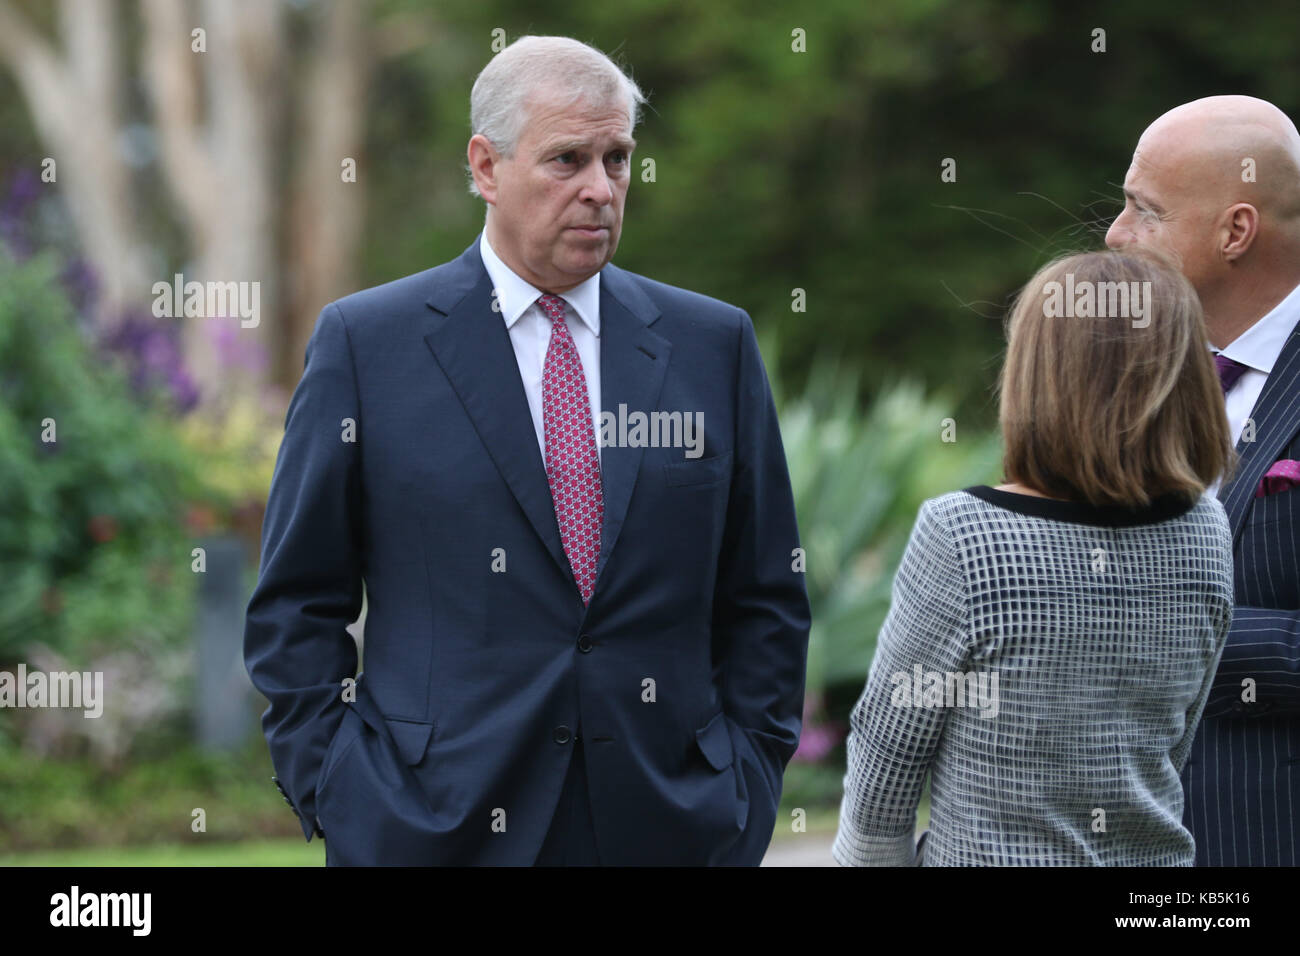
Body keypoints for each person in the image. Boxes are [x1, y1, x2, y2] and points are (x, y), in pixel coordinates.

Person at [242, 35, 810, 866]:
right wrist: (340, 789)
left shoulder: (710, 344)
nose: (601, 189)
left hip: (669, 825)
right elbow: (297, 600)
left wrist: (747, 785)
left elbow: (765, 593)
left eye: (617, 159)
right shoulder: (369, 346)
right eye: (568, 159)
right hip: (431, 828)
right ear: (485, 166)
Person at [833, 249, 1236, 866]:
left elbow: (888, 761)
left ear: (1037, 374)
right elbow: (1171, 746)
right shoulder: (1206, 530)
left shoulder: (965, 534)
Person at [1106, 95, 1300, 867]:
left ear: (1236, 232)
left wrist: (1176, 632)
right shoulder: (1119, 370)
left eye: (1145, 211)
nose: (1117, 235)